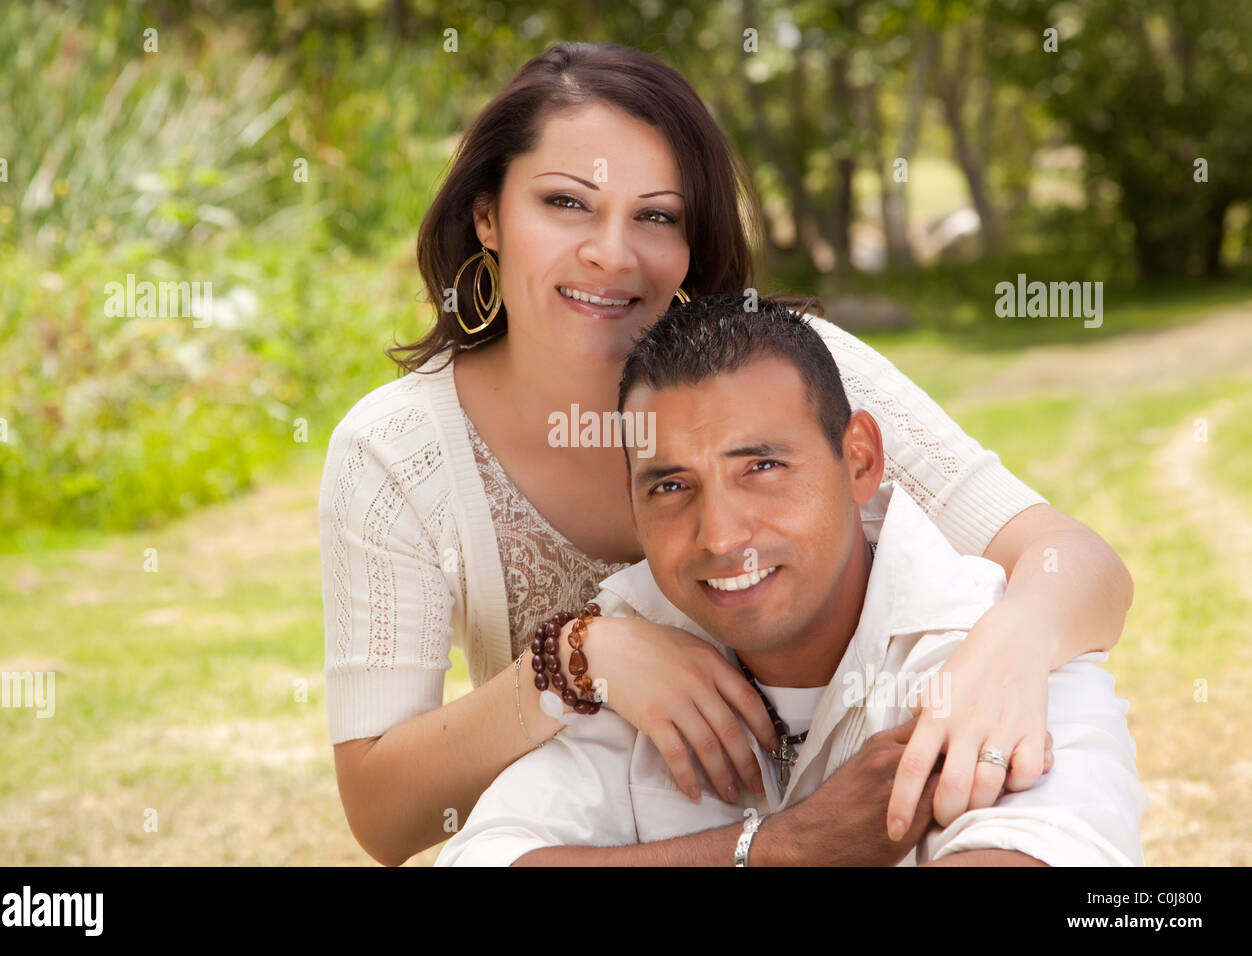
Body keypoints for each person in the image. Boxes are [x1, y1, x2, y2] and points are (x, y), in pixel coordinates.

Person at [319, 42, 1135, 867]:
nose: (612, 252)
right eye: (566, 203)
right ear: (487, 215)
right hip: (607, 831)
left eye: (657, 215)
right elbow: (387, 821)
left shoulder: (786, 367)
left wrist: (1009, 647)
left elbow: (1074, 561)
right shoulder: (397, 455)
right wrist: (578, 659)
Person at [435, 294, 1146, 866]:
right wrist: (778, 849)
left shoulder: (1004, 662)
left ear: (860, 460)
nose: (720, 536)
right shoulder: (634, 653)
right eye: (672, 486)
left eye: (762, 468)